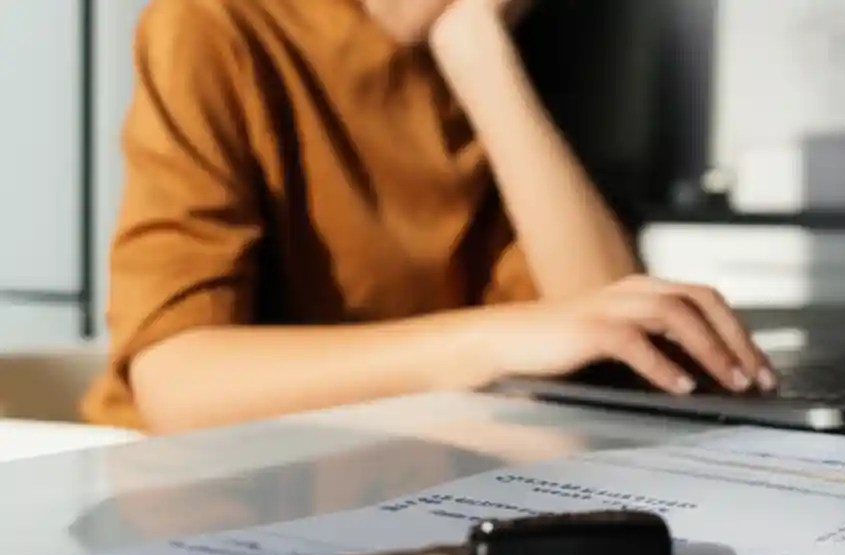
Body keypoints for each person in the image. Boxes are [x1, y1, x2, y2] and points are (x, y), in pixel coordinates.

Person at [81, 0, 777, 434]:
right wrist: (491, 343)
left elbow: (614, 330)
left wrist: (479, 54)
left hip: (403, 489)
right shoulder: (213, 24)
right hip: (200, 505)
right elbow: (176, 380)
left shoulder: (491, 58)